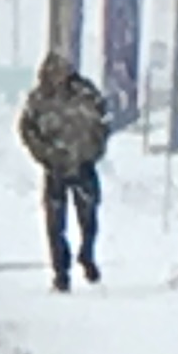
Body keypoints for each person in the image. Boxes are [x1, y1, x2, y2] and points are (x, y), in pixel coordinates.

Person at [17, 51, 111, 291]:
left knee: (89, 218)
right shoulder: (38, 100)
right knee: (55, 224)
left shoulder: (86, 93)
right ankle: (61, 272)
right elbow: (27, 130)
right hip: (55, 169)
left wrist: (95, 148)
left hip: (84, 165)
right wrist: (45, 155)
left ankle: (87, 255)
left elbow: (104, 120)